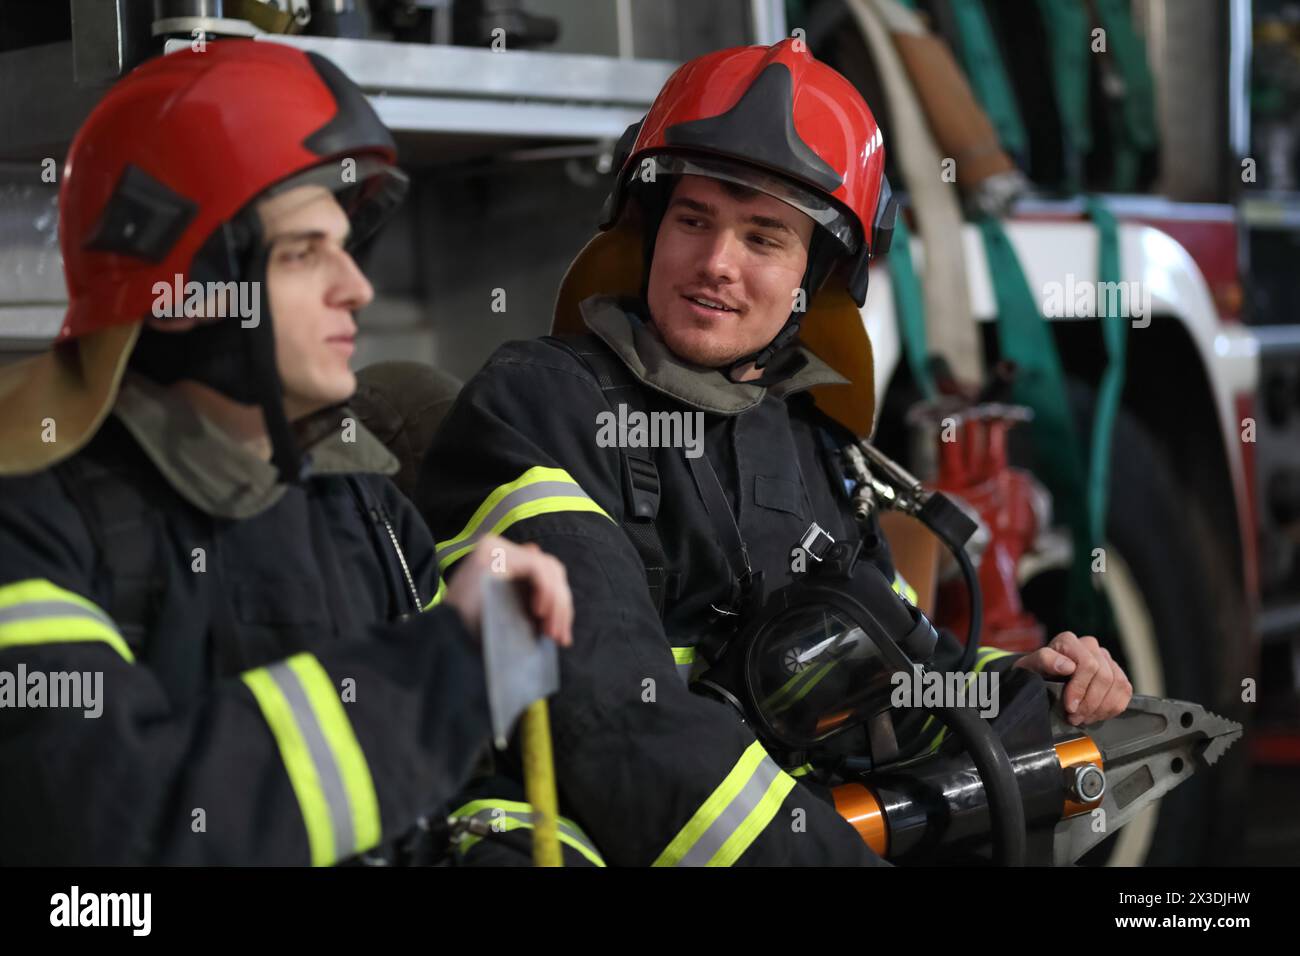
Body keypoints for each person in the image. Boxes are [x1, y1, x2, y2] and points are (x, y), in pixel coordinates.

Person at [417, 39, 1132, 866]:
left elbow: (894, 678)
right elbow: (608, 713)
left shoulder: (806, 447)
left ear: (812, 282)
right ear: (648, 231)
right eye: (693, 220)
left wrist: (1035, 691)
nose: (716, 264)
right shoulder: (539, 403)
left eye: (763, 239)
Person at [0, 40, 579, 866]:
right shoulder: (30, 522)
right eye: (305, 253)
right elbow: (115, 838)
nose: (358, 287)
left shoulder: (359, 504)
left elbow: (452, 797)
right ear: (184, 289)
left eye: (347, 247)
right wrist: (443, 670)